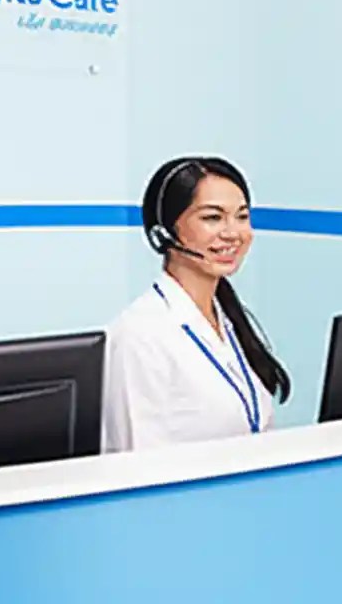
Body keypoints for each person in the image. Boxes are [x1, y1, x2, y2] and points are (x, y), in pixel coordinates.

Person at [102, 156, 292, 452]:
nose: (233, 233)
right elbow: (133, 466)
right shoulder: (138, 337)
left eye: (242, 216)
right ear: (164, 232)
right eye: (212, 218)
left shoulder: (228, 321)